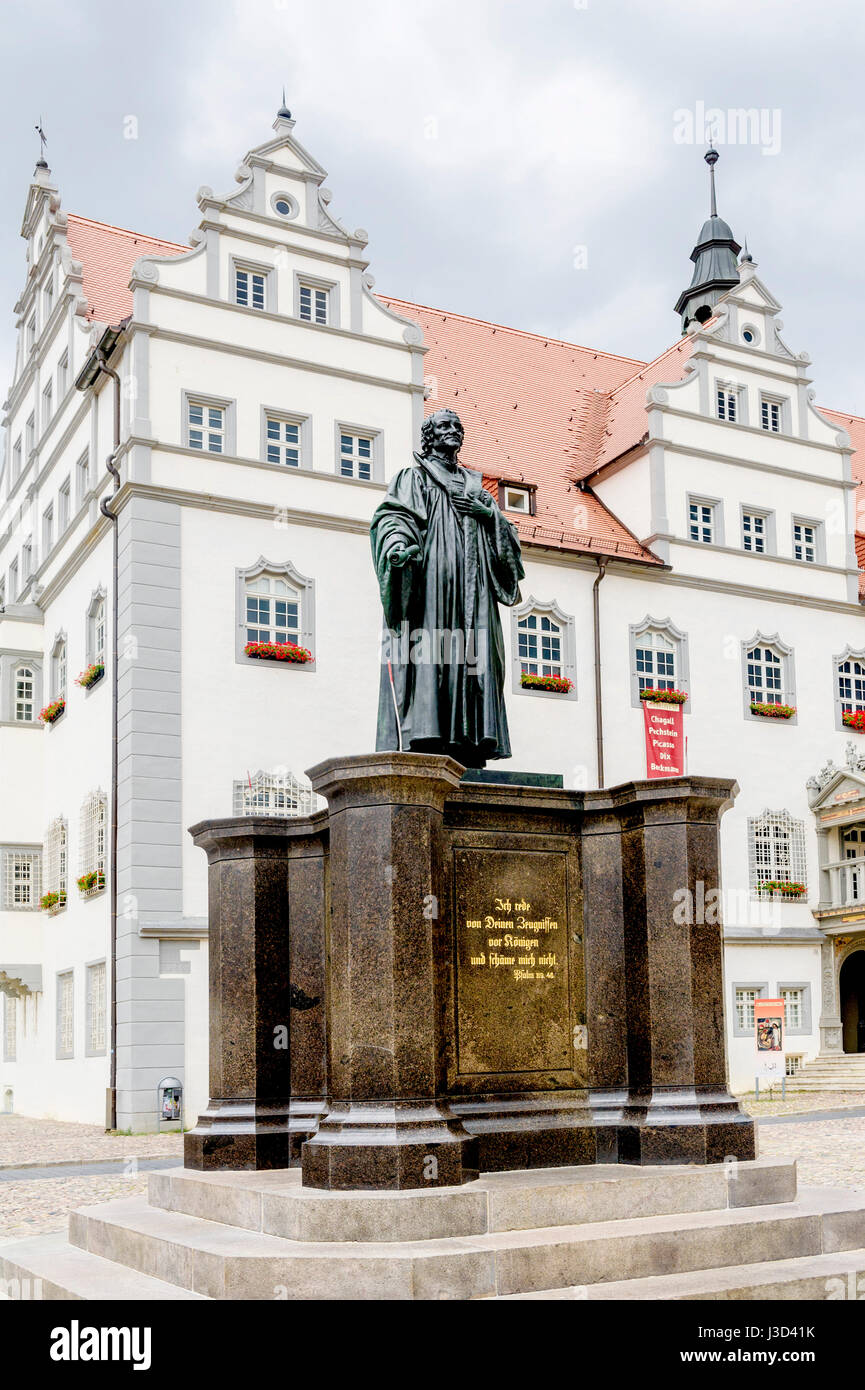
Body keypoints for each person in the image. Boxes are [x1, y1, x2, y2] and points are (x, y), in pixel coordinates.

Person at [370, 408, 524, 768]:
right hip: (433, 585)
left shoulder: (477, 487)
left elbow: (511, 546)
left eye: (457, 426)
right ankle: (430, 735)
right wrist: (396, 547)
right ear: (430, 435)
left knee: (474, 658)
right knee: (433, 651)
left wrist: (489, 516)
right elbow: (393, 517)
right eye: (444, 426)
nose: (452, 431)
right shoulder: (414, 478)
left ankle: (469, 741)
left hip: (475, 591)